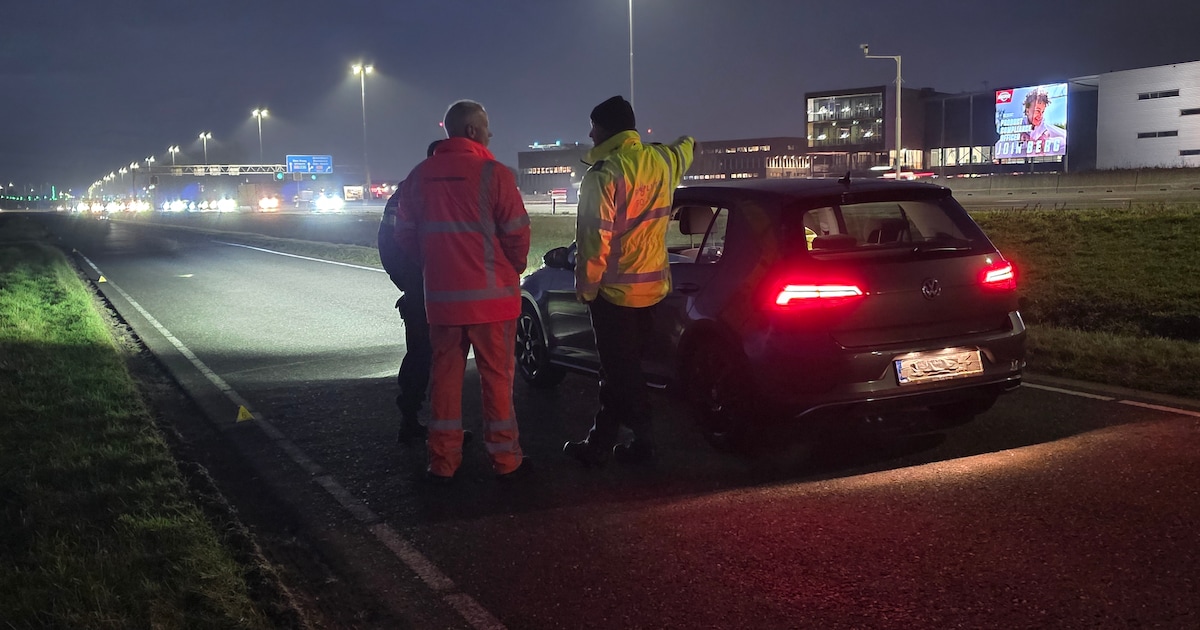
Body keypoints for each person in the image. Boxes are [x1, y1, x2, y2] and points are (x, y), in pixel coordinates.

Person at [395, 100, 531, 484]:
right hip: (493, 301)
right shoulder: (495, 174)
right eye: (487, 128)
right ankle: (506, 460)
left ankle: (442, 461)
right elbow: (518, 234)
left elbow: (403, 234)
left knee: (445, 381)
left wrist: (433, 266)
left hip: (441, 301)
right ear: (472, 131)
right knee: (498, 381)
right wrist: (512, 269)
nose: (490, 135)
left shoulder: (419, 176)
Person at [562, 95, 695, 467]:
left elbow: (593, 241)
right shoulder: (664, 160)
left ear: (608, 129)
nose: (590, 132)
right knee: (620, 370)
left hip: (615, 294)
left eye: (594, 125)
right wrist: (681, 145)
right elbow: (688, 145)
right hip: (653, 289)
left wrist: (586, 289)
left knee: (621, 374)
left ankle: (643, 440)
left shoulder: (603, 173)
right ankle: (602, 440)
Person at [378, 140, 442, 445]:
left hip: (427, 286)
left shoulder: (409, 187)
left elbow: (387, 245)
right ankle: (418, 421)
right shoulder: (421, 189)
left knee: (426, 353)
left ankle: (422, 422)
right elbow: (393, 241)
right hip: (431, 288)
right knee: (428, 353)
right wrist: (415, 284)